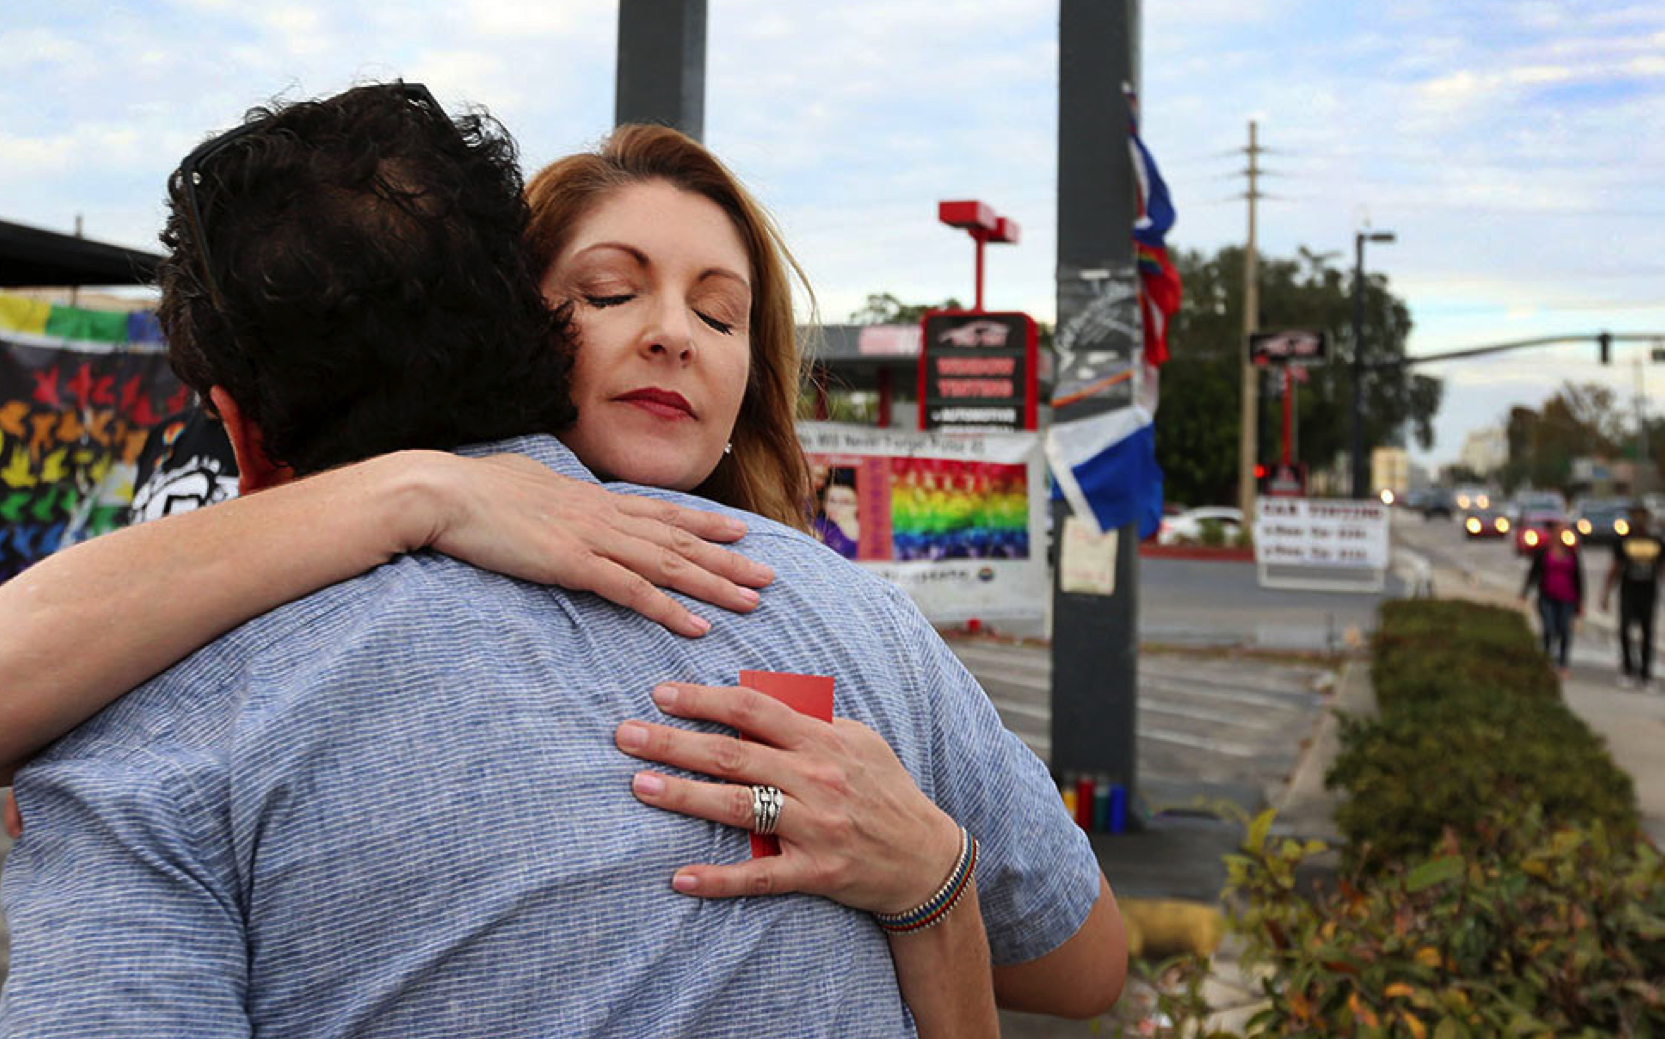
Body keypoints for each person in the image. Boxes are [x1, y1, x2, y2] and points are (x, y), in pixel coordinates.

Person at [0, 85, 1122, 1037]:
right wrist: (424, 492)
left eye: (722, 313)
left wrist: (930, 876)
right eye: (607, 292)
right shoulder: (842, 610)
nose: (673, 334)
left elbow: (1080, 956)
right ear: (526, 323)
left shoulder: (154, 730)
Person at [1602, 502, 1665, 689]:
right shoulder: (1623, 541)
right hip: (1629, 590)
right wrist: (1606, 592)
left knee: (1647, 632)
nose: (1639, 520)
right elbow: (1615, 567)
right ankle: (1628, 668)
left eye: (1642, 516)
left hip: (1648, 590)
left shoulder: (1656, 541)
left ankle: (1646, 672)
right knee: (1624, 629)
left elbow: (1662, 568)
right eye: (1635, 515)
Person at [1519, 518, 1582, 675]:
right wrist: (1524, 593)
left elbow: (1579, 578)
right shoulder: (1543, 552)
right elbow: (1533, 573)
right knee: (1549, 627)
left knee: (1564, 629)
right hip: (1547, 596)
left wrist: (1580, 602)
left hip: (1568, 597)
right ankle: (1546, 659)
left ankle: (1562, 662)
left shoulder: (1571, 553)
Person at [812, 466, 861, 558]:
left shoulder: (874, 530)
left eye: (845, 502)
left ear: (858, 505)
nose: (836, 507)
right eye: (831, 500)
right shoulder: (819, 527)